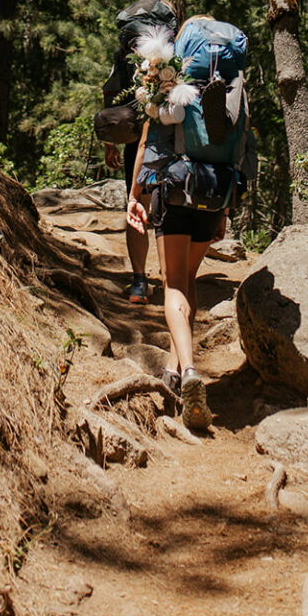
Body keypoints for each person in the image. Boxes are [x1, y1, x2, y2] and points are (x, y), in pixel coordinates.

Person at [126, 121, 224, 433]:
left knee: (173, 285)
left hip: (173, 191)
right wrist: (223, 211)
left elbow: (145, 145)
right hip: (213, 192)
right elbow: (235, 150)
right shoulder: (225, 92)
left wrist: (134, 196)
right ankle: (174, 369)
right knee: (189, 279)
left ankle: (191, 371)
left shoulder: (165, 92)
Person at [100, 0, 177, 303]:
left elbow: (111, 95)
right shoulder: (174, 51)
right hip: (174, 139)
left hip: (136, 142)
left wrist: (110, 142)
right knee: (167, 208)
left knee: (137, 205)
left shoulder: (124, 55)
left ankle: (139, 282)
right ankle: (173, 282)